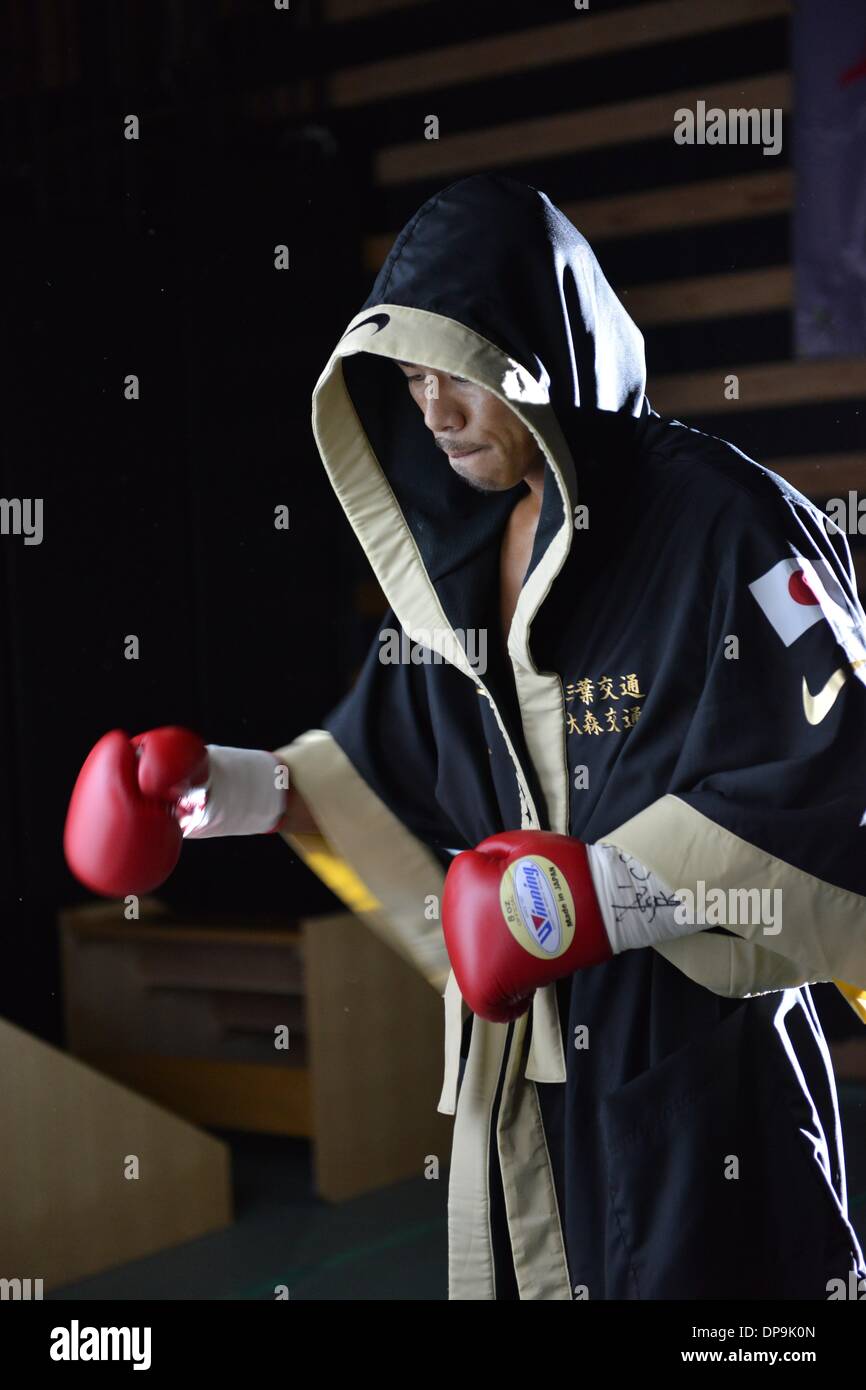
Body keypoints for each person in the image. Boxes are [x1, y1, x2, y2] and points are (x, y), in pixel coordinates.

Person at [65, 172, 866, 1301]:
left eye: (457, 371)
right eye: (409, 379)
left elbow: (838, 788)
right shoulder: (464, 565)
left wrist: (598, 900)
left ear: (540, 354)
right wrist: (213, 791)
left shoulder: (724, 521)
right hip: (530, 1088)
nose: (434, 410)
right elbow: (377, 770)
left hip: (701, 1081)